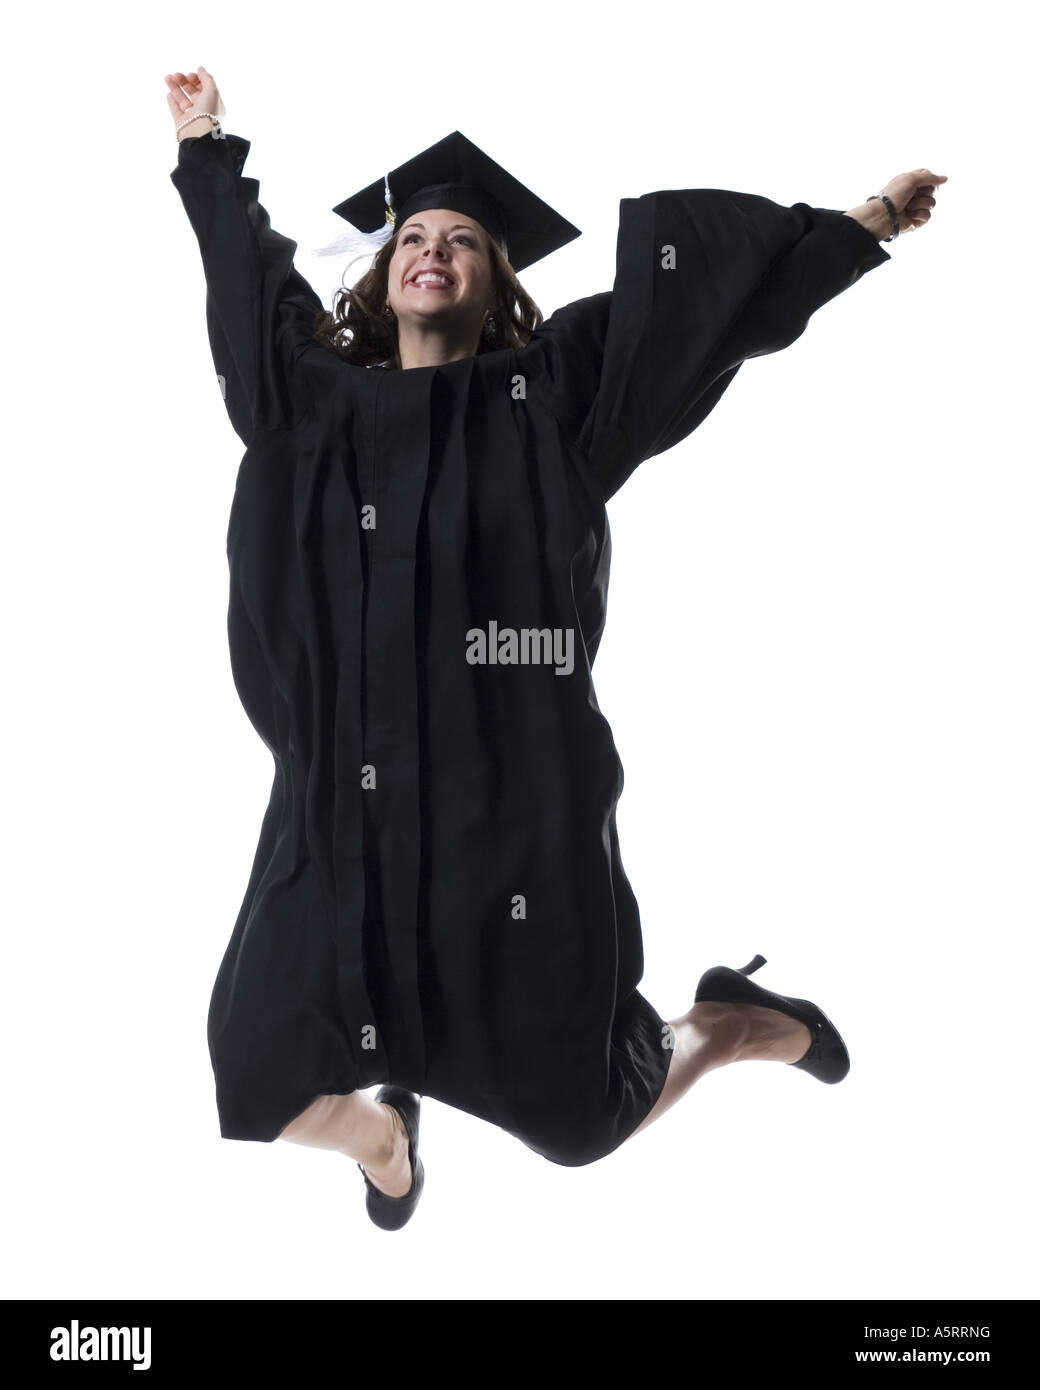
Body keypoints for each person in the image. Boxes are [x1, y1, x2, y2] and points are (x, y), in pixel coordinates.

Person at [166, 66, 946, 1230]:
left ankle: (727, 1023)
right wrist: (205, 143)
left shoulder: (557, 397)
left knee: (585, 1120)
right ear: (383, 275)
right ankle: (384, 1139)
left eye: (463, 240)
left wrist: (864, 221)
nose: (432, 249)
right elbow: (246, 276)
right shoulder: (307, 402)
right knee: (250, 1066)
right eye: (413, 236)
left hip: (510, 817)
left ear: (498, 282)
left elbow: (698, 308)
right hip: (340, 812)